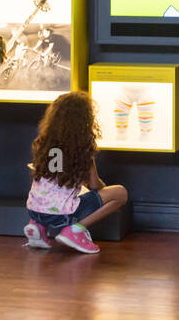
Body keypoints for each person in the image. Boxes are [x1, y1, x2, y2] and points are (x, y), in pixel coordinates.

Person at [24, 91, 129, 254]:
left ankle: (37, 226)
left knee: (54, 195)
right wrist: (102, 188)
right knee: (120, 193)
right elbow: (94, 184)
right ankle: (74, 230)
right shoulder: (83, 147)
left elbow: (53, 177)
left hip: (34, 209)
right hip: (61, 215)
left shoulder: (44, 143)